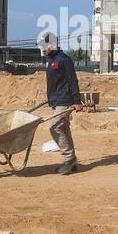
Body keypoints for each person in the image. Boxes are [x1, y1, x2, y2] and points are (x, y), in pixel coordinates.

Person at [36, 30, 83, 174]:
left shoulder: (64, 59)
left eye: (44, 46)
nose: (42, 50)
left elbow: (72, 80)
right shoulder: (50, 60)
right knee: (63, 128)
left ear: (52, 45)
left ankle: (69, 160)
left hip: (65, 100)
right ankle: (72, 160)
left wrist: (77, 101)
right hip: (56, 100)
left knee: (55, 127)